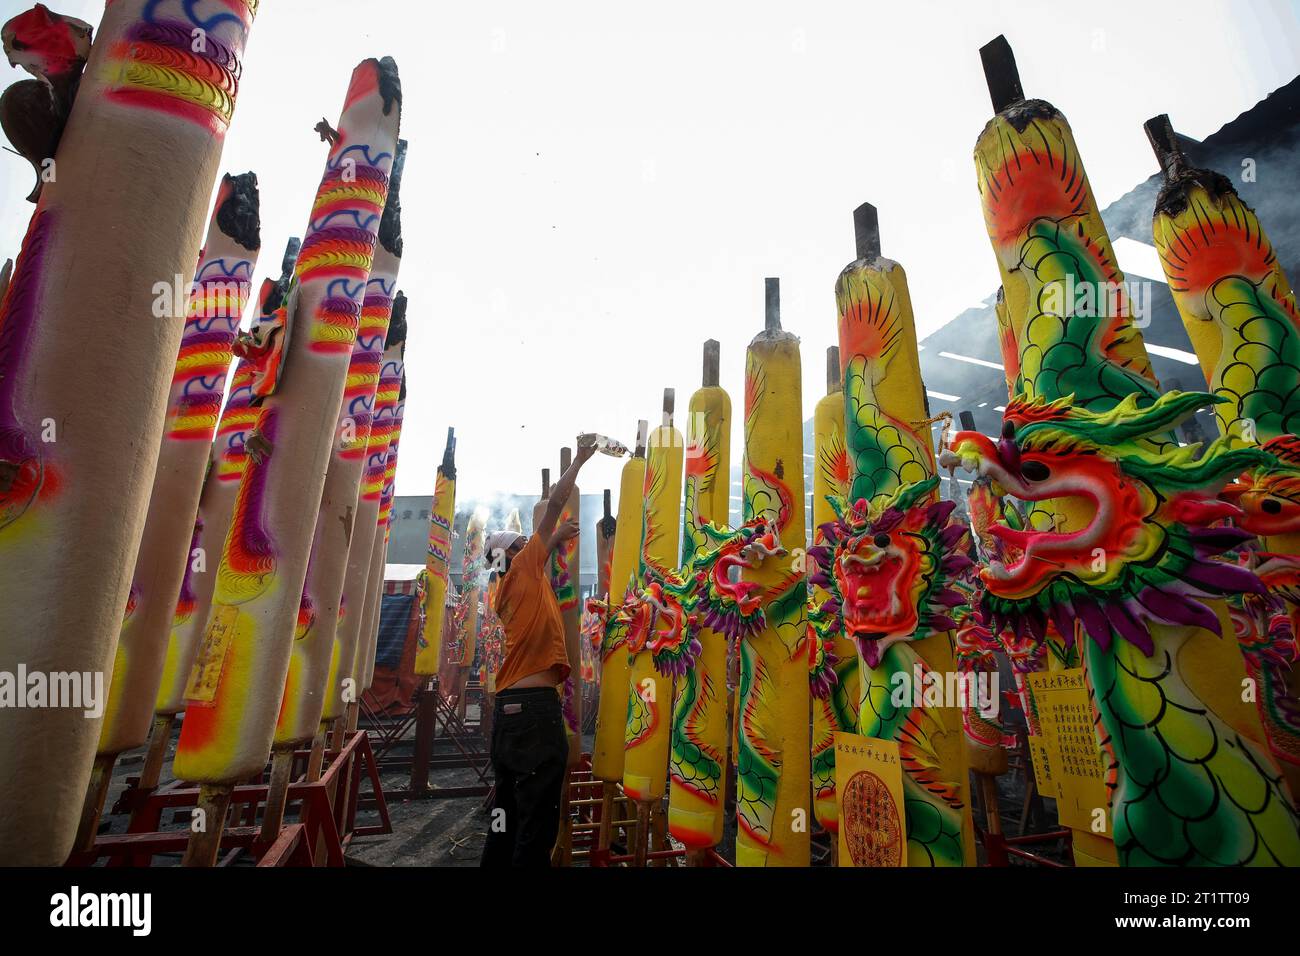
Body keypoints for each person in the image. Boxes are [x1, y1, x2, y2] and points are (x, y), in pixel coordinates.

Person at [479, 437, 596, 866]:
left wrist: (555, 538)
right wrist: (579, 462)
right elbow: (557, 502)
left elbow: (543, 544)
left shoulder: (508, 587)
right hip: (533, 713)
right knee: (537, 824)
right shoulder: (523, 568)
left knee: (504, 814)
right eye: (522, 543)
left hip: (511, 714)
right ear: (511, 554)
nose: (531, 545)